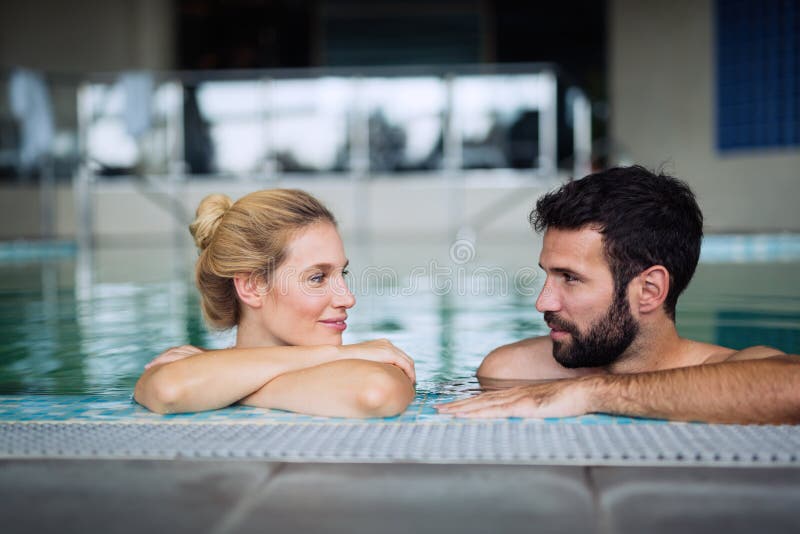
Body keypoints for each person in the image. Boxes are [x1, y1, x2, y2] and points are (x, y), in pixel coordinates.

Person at [437, 166, 800, 424]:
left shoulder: (735, 370)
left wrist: (593, 393)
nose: (542, 302)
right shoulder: (516, 369)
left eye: (570, 278)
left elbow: (791, 388)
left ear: (649, 291)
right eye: (548, 275)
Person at [135, 189, 415, 417]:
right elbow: (168, 391)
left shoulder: (197, 366)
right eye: (317, 277)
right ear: (252, 287)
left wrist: (224, 392)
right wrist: (336, 354)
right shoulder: (361, 356)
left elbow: (376, 392)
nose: (348, 298)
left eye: (342, 274)